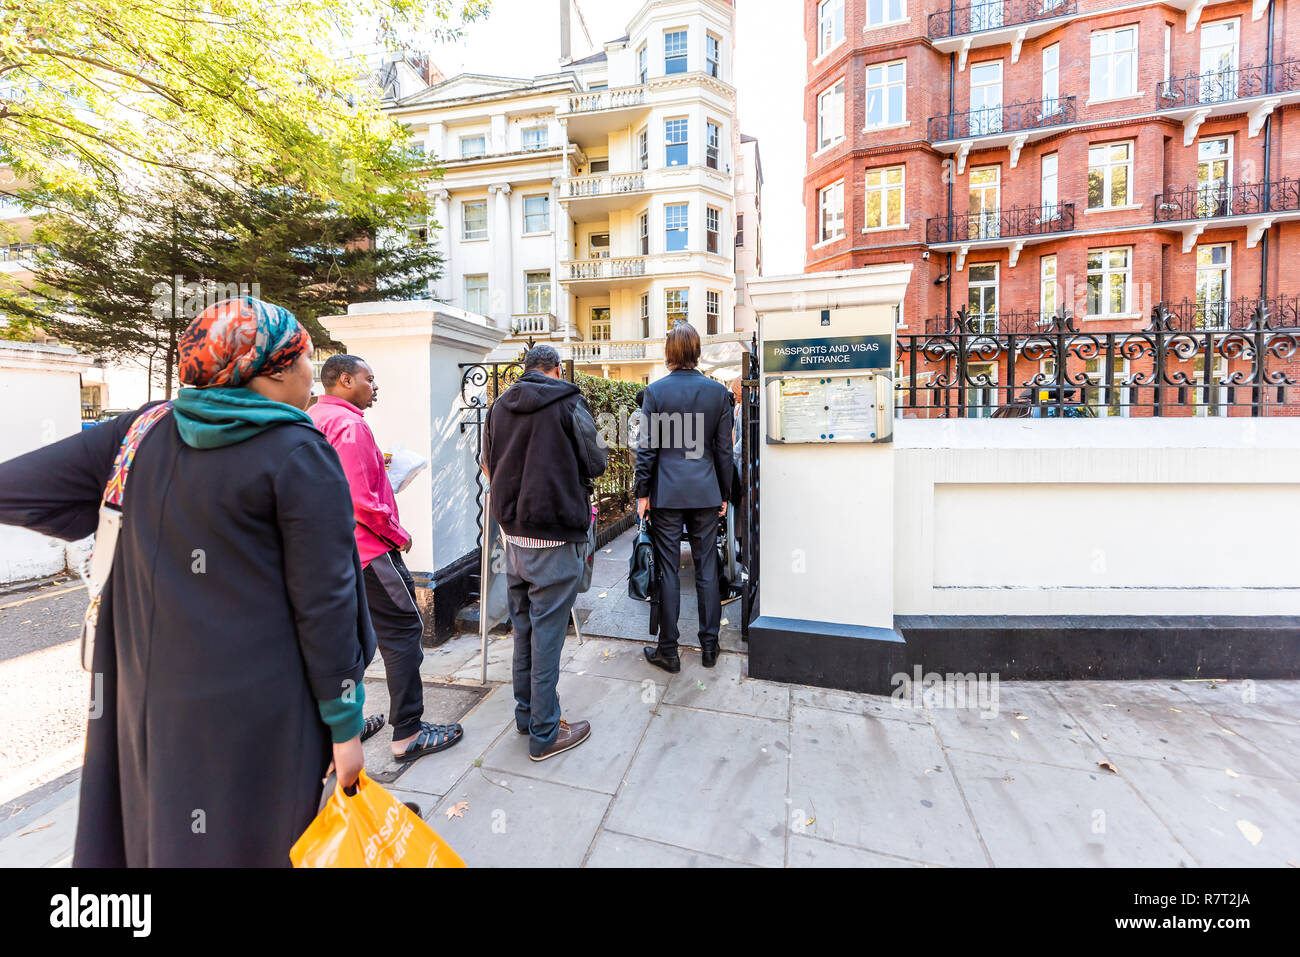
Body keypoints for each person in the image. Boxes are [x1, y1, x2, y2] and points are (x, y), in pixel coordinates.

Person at [0, 297, 375, 866]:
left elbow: (17, 489)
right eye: (306, 360)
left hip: (144, 702)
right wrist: (346, 729)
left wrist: (103, 518)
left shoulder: (141, 431)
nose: (311, 377)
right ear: (273, 368)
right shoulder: (297, 452)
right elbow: (326, 604)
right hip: (260, 715)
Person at [310, 354, 463, 762]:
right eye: (368, 379)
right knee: (404, 635)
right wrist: (400, 535)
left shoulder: (315, 419)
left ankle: (347, 725)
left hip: (334, 551)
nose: (375, 387)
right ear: (345, 380)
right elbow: (361, 502)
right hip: (371, 549)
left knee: (355, 639)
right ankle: (408, 734)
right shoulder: (350, 425)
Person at [481, 345, 606, 761]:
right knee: (548, 635)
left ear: (524, 369)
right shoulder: (568, 400)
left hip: (513, 538)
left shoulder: (499, 406)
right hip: (555, 537)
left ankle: (527, 715)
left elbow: (487, 462)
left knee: (525, 631)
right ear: (555, 370)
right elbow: (596, 462)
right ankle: (545, 733)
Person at [635, 323, 734, 672]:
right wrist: (725, 492)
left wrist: (641, 495)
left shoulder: (656, 392)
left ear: (669, 353)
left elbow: (647, 450)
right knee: (708, 567)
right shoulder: (717, 393)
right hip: (706, 491)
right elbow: (724, 451)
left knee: (668, 570)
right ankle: (710, 647)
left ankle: (669, 651)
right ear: (696, 352)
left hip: (667, 493)